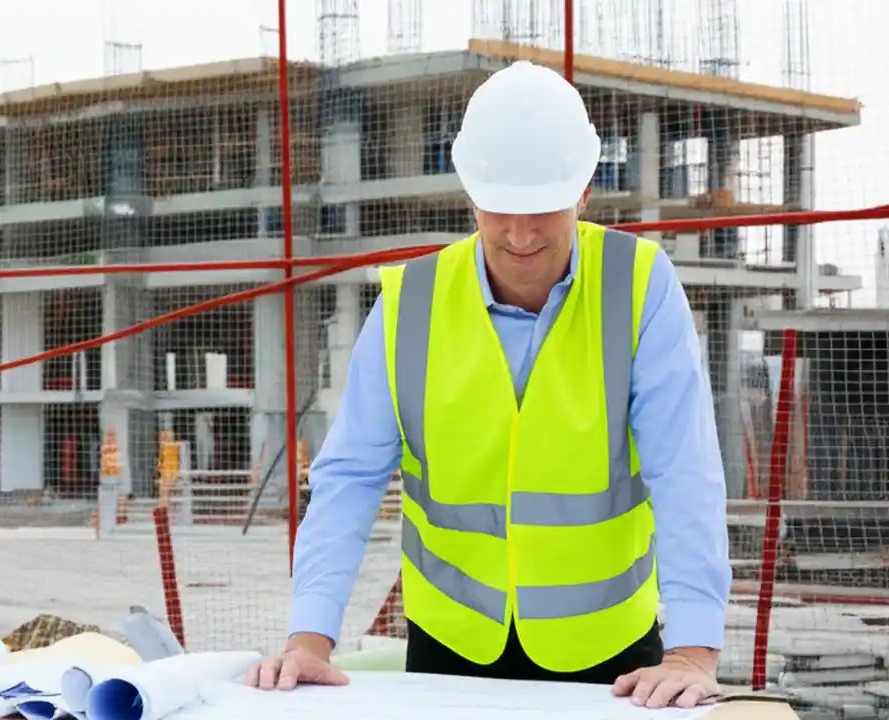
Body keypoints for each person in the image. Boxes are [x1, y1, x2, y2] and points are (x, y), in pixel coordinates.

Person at [244, 60, 732, 710]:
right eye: (501, 210)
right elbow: (350, 478)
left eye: (542, 210)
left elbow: (686, 473)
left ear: (584, 191)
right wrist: (310, 640)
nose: (521, 234)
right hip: (450, 648)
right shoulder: (408, 305)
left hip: (612, 656)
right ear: (470, 194)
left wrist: (694, 651)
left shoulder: (641, 287)